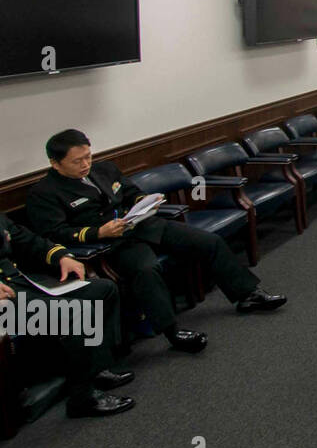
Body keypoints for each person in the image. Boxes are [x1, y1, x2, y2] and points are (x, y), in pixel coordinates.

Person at [26, 130, 286, 355]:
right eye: (77, 161)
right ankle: (173, 332)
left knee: (209, 241)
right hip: (113, 243)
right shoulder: (44, 193)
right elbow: (55, 232)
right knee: (146, 270)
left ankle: (247, 295)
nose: (85, 164)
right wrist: (98, 233)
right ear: (55, 163)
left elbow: (128, 192)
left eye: (88, 157)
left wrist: (142, 201)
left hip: (143, 225)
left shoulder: (104, 169)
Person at [0, 214, 135, 418]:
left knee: (103, 290)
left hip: (21, 284)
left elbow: (27, 239)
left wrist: (61, 256)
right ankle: (82, 399)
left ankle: (95, 370)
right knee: (75, 313)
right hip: (5, 305)